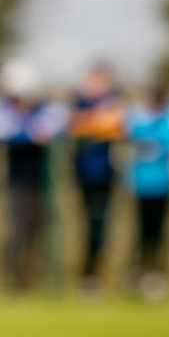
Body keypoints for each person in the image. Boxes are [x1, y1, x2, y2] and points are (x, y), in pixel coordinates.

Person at [0, 60, 68, 295]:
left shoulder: (47, 109)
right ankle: (13, 279)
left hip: (43, 182)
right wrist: (29, 131)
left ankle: (34, 279)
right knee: (15, 231)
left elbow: (57, 125)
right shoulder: (3, 111)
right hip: (16, 182)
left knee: (38, 232)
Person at [124, 83, 169, 301]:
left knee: (160, 231)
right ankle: (138, 273)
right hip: (140, 184)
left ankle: (155, 275)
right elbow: (129, 129)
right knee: (141, 231)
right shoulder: (138, 120)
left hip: (164, 184)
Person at [69, 64, 125, 298]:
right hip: (83, 176)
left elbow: (114, 126)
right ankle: (86, 276)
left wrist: (98, 122)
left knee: (100, 228)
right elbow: (75, 126)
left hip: (105, 176)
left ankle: (96, 277)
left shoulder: (114, 103)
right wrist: (95, 121)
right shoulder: (78, 104)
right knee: (87, 226)